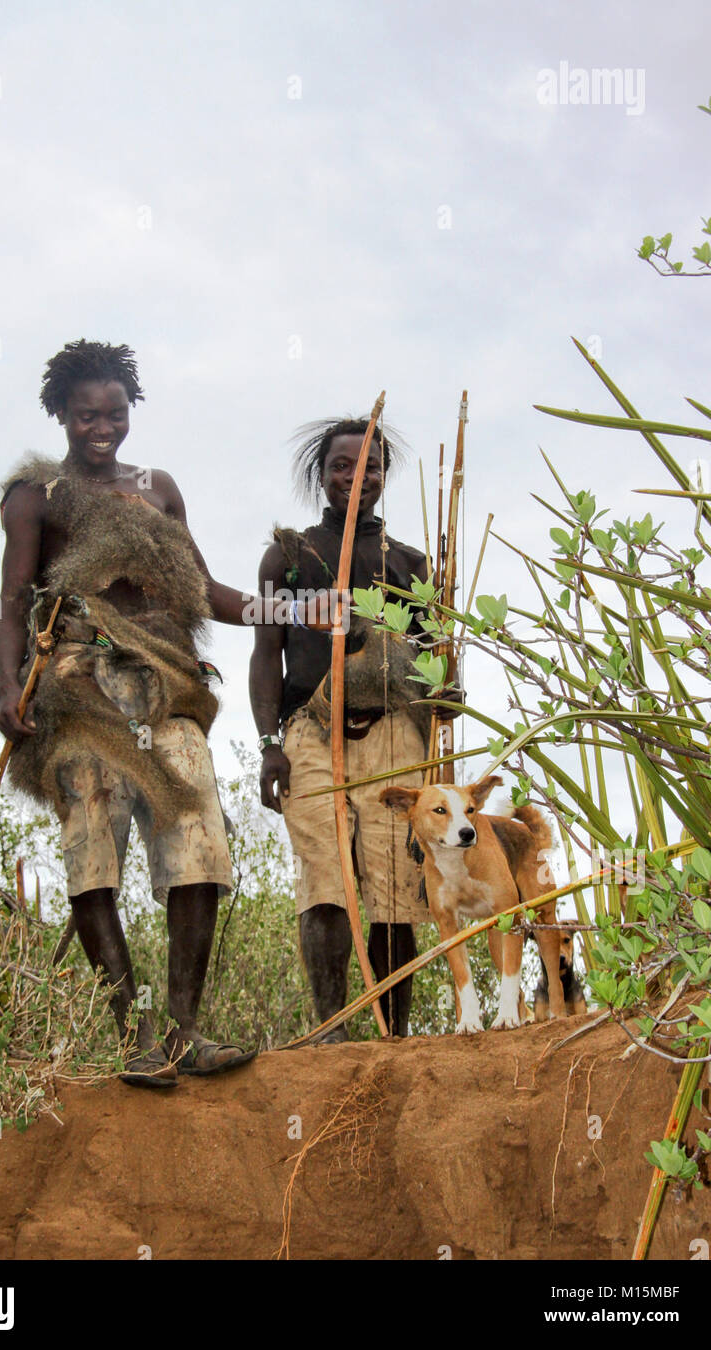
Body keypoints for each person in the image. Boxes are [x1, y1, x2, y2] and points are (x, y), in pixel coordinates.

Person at [0, 340, 329, 1086]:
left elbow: (210, 593)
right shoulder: (35, 499)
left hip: (169, 684)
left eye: (114, 414)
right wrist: (5, 685)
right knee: (92, 848)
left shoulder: (160, 489)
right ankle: (133, 1033)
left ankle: (184, 1030)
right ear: (59, 415)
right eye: (85, 416)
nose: (101, 428)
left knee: (199, 839)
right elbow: (14, 603)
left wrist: (299, 607)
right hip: (79, 685)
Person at [249, 416, 457, 1040]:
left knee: (396, 879)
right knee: (325, 873)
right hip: (312, 732)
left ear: (385, 477)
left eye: (369, 467)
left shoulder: (413, 563)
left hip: (396, 733)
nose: (356, 477)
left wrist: (446, 692)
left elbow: (438, 658)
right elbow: (265, 654)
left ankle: (393, 1032)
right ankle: (332, 1028)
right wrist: (268, 745)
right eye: (343, 465)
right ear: (322, 474)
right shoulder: (289, 555)